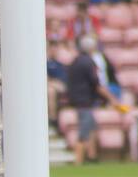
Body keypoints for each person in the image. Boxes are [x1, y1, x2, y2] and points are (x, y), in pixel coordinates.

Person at [65, 34, 119, 165]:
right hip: (85, 101)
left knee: (92, 127)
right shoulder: (89, 63)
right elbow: (96, 84)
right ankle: (78, 161)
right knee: (84, 130)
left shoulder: (76, 61)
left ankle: (92, 156)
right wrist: (112, 99)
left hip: (78, 99)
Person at [46, 40, 67, 125]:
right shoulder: (46, 63)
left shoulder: (59, 64)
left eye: (56, 48)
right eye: (52, 48)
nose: (54, 50)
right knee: (51, 91)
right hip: (51, 86)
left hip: (62, 85)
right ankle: (52, 119)